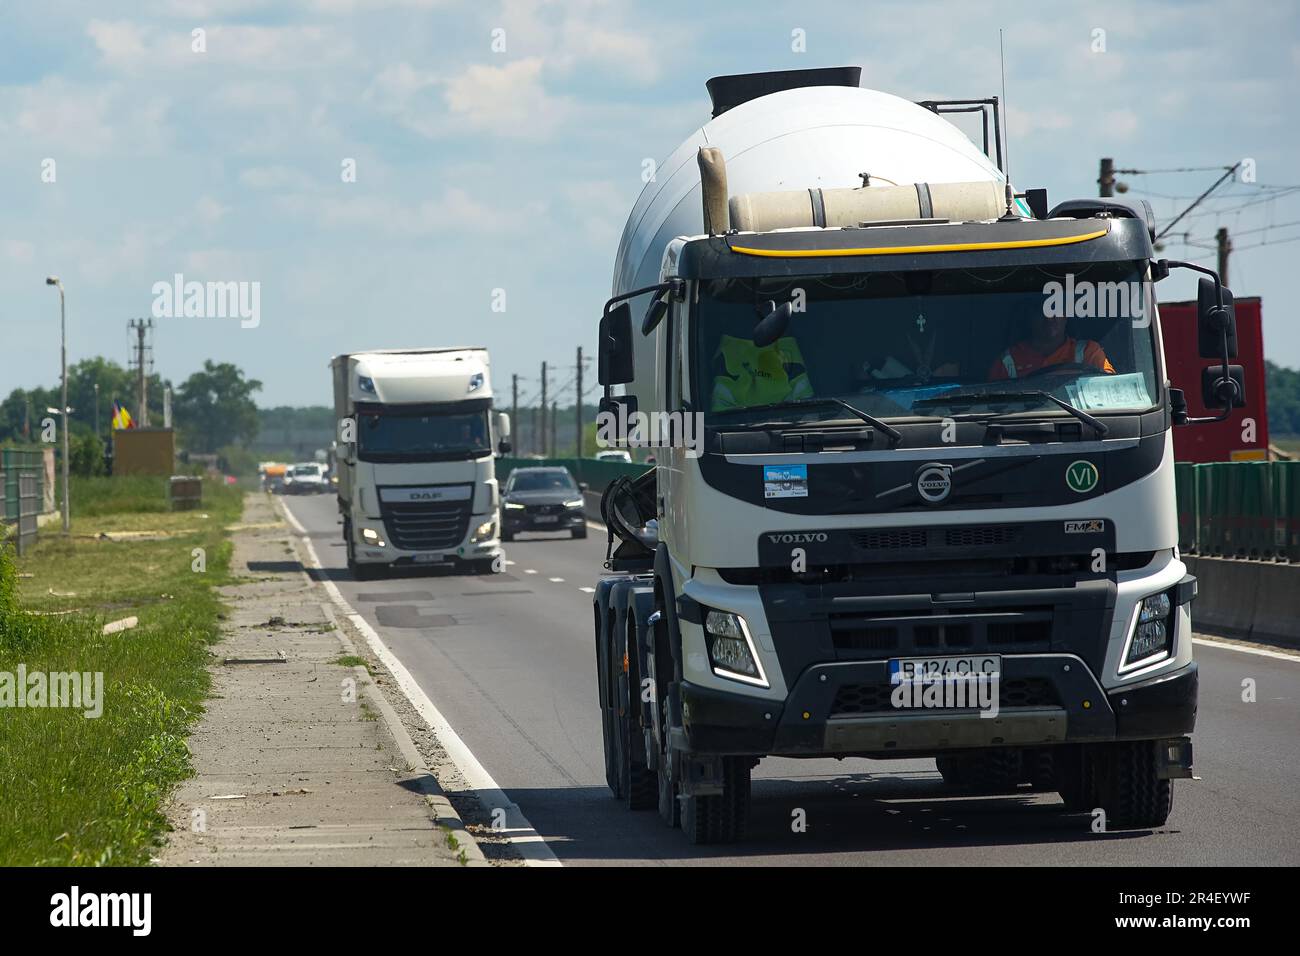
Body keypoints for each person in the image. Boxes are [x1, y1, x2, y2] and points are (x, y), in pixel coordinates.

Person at [989, 311, 1114, 381]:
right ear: (1029, 319)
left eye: (1055, 309)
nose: (1049, 317)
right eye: (1042, 311)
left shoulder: (1088, 351)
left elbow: (1111, 389)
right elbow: (993, 404)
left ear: (1066, 316)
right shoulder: (1007, 360)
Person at [711, 334, 814, 411]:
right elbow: (717, 417)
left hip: (783, 427)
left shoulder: (789, 351)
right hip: (736, 430)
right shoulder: (727, 354)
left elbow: (805, 414)